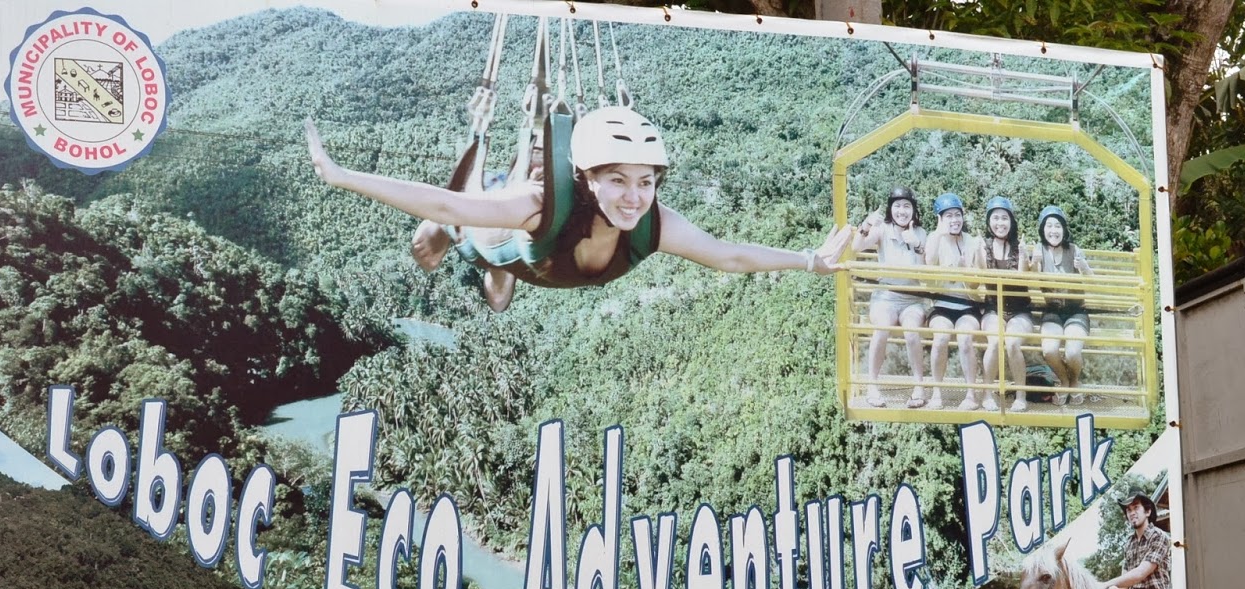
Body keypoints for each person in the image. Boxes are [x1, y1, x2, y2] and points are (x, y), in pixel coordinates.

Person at [305, 107, 853, 313]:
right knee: (456, 230)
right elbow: (448, 200)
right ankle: (475, 214)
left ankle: (500, 248)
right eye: (617, 181)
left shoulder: (653, 223)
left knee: (501, 288)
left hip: (543, 264)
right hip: (493, 231)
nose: (634, 197)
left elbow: (728, 256)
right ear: (588, 180)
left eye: (645, 182)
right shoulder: (543, 205)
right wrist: (342, 176)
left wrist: (812, 261)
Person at [851, 186, 930, 408]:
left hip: (912, 297)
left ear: (913, 210)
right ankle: (873, 385)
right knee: (882, 328)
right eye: (897, 206)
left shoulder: (921, 233)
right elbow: (857, 247)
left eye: (907, 206)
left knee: (913, 333)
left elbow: (925, 267)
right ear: (890, 209)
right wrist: (866, 224)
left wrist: (915, 243)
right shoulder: (882, 229)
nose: (902, 211)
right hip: (885, 296)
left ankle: (919, 386)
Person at [923, 192, 984, 411]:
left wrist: (966, 270)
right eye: (948, 216)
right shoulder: (934, 238)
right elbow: (929, 267)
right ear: (940, 218)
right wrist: (939, 233)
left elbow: (977, 284)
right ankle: (936, 392)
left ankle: (971, 394)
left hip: (967, 305)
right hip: (942, 304)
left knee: (965, 337)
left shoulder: (972, 242)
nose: (954, 220)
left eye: (957, 215)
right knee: (940, 337)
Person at [1028, 205, 1094, 404]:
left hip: (1075, 311)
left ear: (1064, 229)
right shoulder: (1038, 250)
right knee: (1049, 350)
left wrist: (1084, 268)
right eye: (1049, 226)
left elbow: (1092, 280)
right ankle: (1065, 380)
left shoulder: (1073, 250)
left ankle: (1073, 383)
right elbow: (1030, 283)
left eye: (1058, 226)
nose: (1053, 230)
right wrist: (1033, 265)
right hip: (1052, 311)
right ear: (1042, 229)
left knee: (1073, 351)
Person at [977, 196, 1035, 413]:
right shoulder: (984, 247)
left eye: (1004, 218)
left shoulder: (1019, 247)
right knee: (994, 342)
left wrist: (1026, 260)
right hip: (993, 308)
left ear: (1011, 221)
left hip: (1020, 310)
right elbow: (978, 277)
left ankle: (1021, 395)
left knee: (1012, 343)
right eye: (995, 218)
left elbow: (1022, 281)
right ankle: (987, 392)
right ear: (989, 222)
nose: (1000, 223)